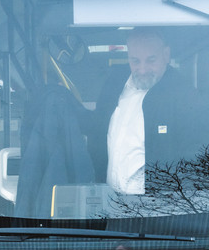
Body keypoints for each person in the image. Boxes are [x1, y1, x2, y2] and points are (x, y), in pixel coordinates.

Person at [86, 31, 202, 194]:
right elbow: (96, 134)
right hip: (107, 204)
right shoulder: (114, 84)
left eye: (151, 60)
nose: (142, 69)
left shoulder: (184, 95)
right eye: (135, 61)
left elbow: (193, 159)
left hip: (154, 210)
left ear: (166, 55)